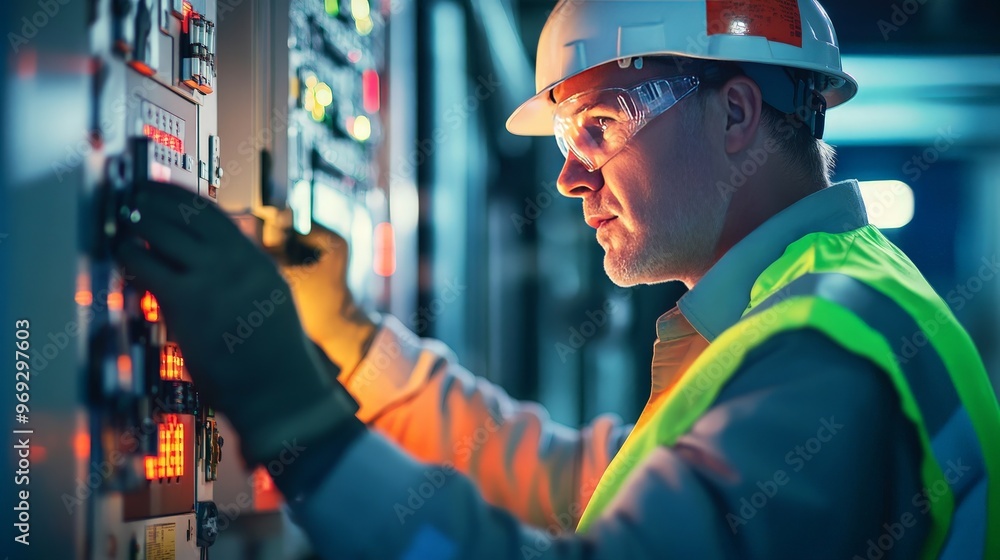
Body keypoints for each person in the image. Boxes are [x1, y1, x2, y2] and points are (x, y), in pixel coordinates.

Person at [114, 1, 1000, 558]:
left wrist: (300, 425)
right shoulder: (813, 302)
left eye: (602, 128)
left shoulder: (828, 348)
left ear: (735, 114)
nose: (572, 179)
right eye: (566, 145)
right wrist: (354, 345)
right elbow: (587, 484)